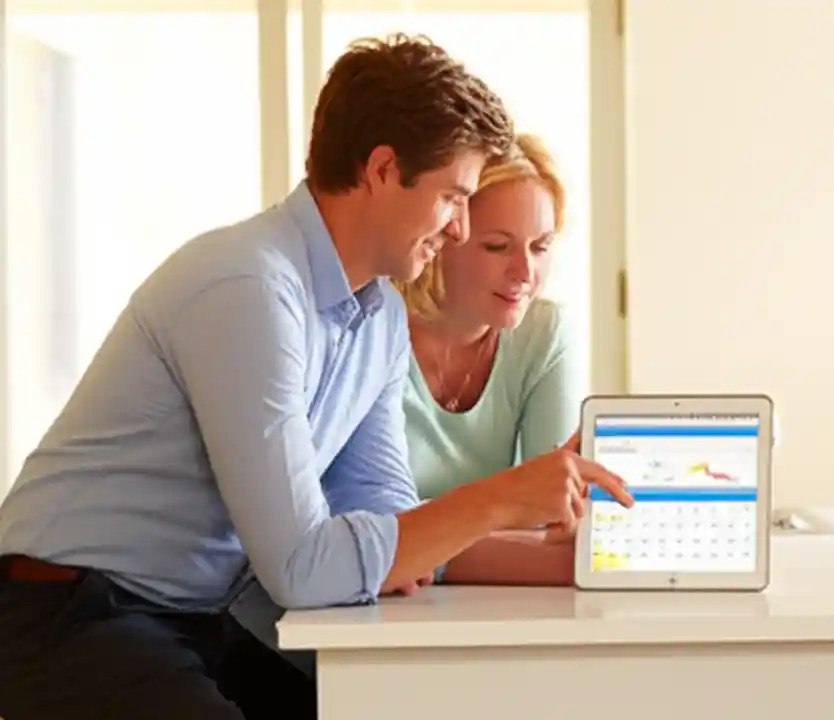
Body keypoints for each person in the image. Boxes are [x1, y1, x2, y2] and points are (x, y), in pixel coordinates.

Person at [0, 34, 630, 720]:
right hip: (65, 610)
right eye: (454, 197)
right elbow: (304, 568)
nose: (457, 231)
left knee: (398, 708)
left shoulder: (379, 315)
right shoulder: (249, 288)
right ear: (384, 169)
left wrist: (544, 543)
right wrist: (500, 500)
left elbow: (394, 529)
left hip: (191, 618)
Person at [391, 132, 586, 584]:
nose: (525, 273)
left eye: (540, 247)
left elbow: (551, 523)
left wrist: (426, 546)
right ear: (443, 239)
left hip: (472, 601)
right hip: (373, 608)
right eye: (497, 247)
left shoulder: (544, 332)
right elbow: (369, 532)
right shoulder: (374, 329)